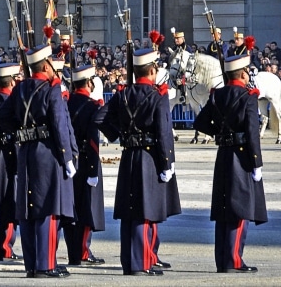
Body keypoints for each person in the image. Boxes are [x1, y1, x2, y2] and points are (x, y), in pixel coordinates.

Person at [0, 37, 78, 279]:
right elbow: (59, 125)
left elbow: (1, 117)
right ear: (45, 65)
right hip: (48, 153)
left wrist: (21, 131)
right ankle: (45, 264)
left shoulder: (20, 88)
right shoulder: (51, 89)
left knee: (29, 210)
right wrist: (67, 158)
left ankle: (32, 265)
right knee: (47, 209)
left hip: (27, 151)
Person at [99, 40, 180, 276]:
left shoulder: (123, 95)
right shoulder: (158, 96)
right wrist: (167, 163)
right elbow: (164, 132)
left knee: (129, 212)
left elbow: (100, 118)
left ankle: (130, 262)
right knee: (145, 211)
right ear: (152, 70)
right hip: (150, 157)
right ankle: (141, 264)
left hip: (129, 156)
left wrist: (120, 135)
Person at [194, 50, 267, 273]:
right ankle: (234, 260)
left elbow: (200, 122)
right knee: (239, 210)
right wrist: (257, 163)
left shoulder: (217, 95)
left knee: (224, 209)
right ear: (243, 73)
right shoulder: (248, 96)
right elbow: (252, 132)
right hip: (242, 155)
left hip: (223, 154)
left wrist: (220, 132)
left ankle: (222, 260)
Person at [64, 63, 108, 267]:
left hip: (67, 160)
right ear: (89, 82)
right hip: (84, 160)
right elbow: (92, 140)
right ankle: (81, 251)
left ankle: (72, 251)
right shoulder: (91, 106)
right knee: (85, 208)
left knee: (70, 208)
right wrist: (92, 168)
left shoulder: (65, 102)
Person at [0, 58, 21, 263]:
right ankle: (5, 247)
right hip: (8, 154)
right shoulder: (11, 103)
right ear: (12, 81)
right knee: (8, 202)